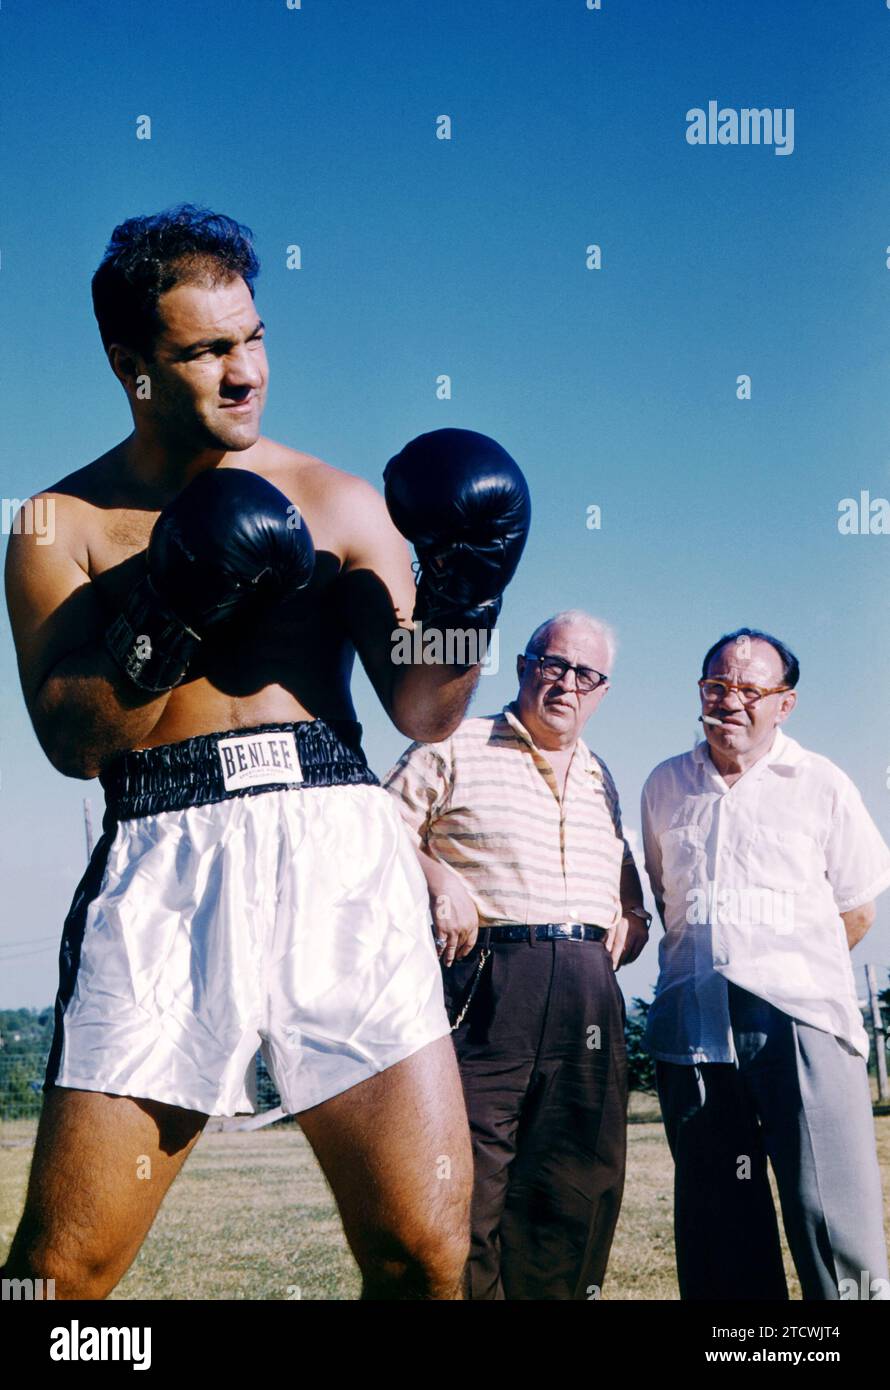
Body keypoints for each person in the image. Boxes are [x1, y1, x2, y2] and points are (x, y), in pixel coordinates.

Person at [1, 203, 531, 1300]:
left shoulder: (335, 500)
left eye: (252, 337)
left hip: (339, 847)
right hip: (166, 861)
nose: (244, 372)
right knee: (60, 1277)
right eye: (204, 351)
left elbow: (422, 705)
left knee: (423, 1255)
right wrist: (165, 611)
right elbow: (71, 741)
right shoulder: (62, 523)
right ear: (130, 364)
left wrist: (470, 591)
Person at [384, 610, 649, 1299]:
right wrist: (436, 877)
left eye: (585, 674)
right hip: (489, 983)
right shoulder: (453, 744)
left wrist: (635, 912)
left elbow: (622, 873)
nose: (567, 682)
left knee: (573, 1185)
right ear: (525, 666)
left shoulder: (600, 774)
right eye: (553, 664)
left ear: (602, 691)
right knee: (467, 1177)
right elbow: (373, 833)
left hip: (589, 993)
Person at [641, 627, 890, 1301]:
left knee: (835, 1229)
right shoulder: (665, 784)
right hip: (694, 1029)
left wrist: (788, 969)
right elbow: (670, 900)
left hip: (802, 1022)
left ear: (785, 704)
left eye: (751, 689)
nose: (731, 701)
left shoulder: (822, 783)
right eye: (717, 686)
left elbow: (857, 907)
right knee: (718, 1233)